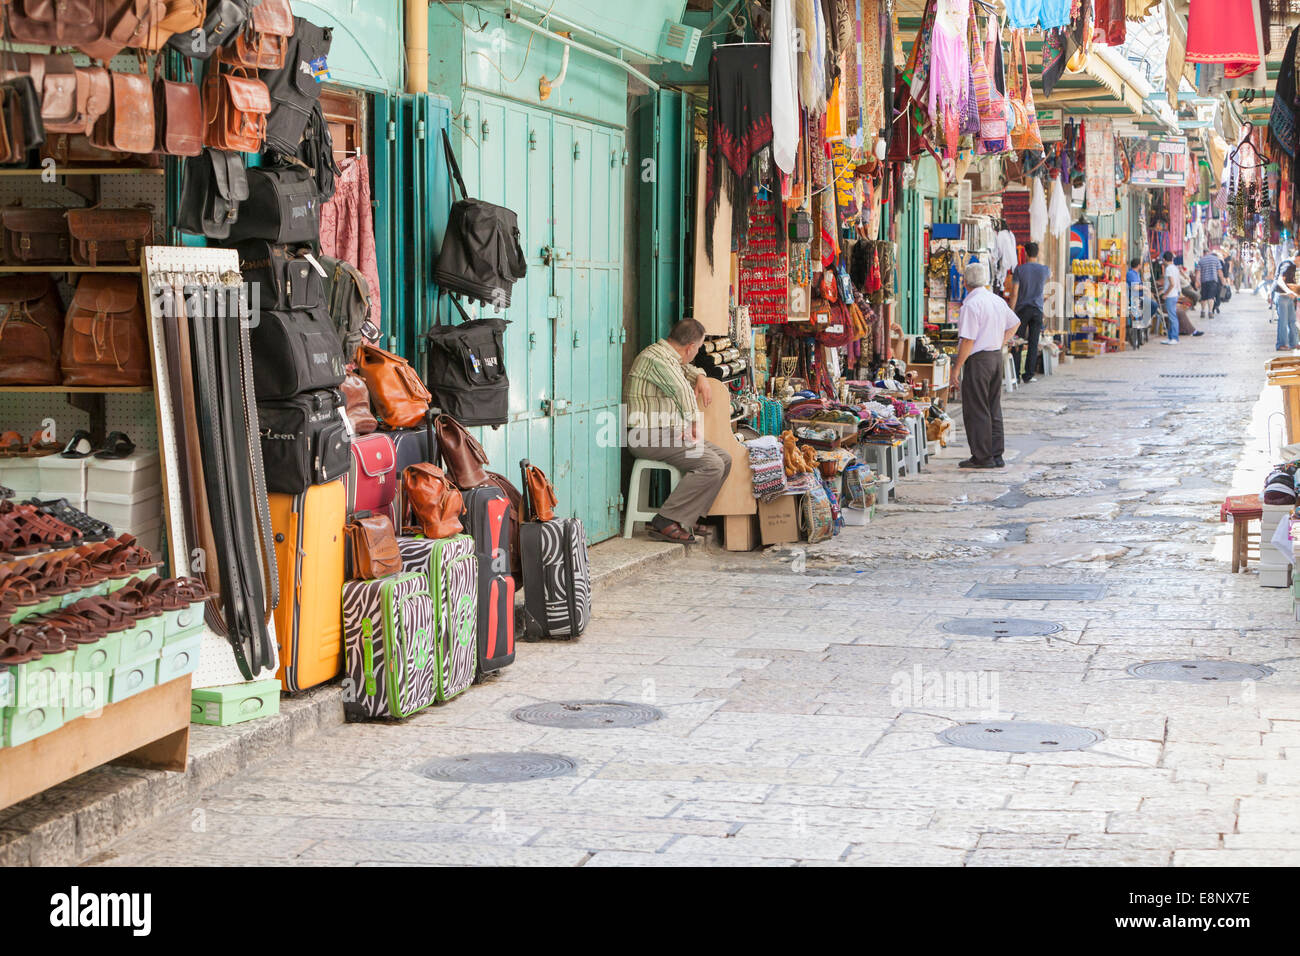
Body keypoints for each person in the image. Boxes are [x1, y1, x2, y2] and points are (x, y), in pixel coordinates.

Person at [625, 318, 732, 543]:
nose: (697, 352)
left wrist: (701, 376)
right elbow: (682, 389)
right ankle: (665, 518)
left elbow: (685, 370)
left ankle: (687, 517)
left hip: (665, 432)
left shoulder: (668, 357)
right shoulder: (655, 359)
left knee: (725, 459)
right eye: (699, 348)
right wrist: (694, 425)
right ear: (690, 347)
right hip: (646, 435)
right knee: (711, 465)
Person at [953, 261, 1021, 470]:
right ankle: (996, 454)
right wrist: (1000, 341)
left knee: (977, 408)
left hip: (979, 360)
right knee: (993, 407)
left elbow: (968, 341)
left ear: (965, 283)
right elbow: (1015, 322)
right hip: (995, 357)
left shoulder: (971, 305)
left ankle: (982, 456)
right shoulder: (996, 300)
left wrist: (956, 368)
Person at [1008, 241, 1050, 384]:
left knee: (1017, 342)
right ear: (1037, 254)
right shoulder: (1045, 270)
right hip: (1037, 310)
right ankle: (1029, 375)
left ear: (1025, 253)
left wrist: (1011, 312)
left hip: (1022, 310)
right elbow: (1046, 283)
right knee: (1033, 342)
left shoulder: (1019, 270)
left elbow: (1014, 293)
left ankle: (1016, 374)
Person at [1276, 250, 1300, 352]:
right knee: (1283, 321)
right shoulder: (1288, 264)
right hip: (1283, 296)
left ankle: (1293, 343)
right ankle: (1282, 344)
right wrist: (1289, 291)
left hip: (1289, 297)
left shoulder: (1292, 265)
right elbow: (1280, 280)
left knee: (1292, 320)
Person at [1193, 247, 1222, 320]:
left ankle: (1202, 311)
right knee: (1211, 297)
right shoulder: (1215, 259)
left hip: (1204, 281)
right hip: (1213, 281)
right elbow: (1219, 271)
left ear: (1203, 253)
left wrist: (1197, 281)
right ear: (1209, 252)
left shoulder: (1201, 260)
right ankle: (1210, 312)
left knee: (1204, 297)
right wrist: (1222, 279)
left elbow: (1198, 273)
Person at [1160, 252, 1183, 344]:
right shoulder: (1175, 268)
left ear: (1164, 260)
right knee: (1171, 316)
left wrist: (1165, 294)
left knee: (1172, 317)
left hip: (1170, 295)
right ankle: (1170, 337)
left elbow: (1172, 283)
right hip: (1174, 294)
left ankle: (1174, 337)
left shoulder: (1169, 269)